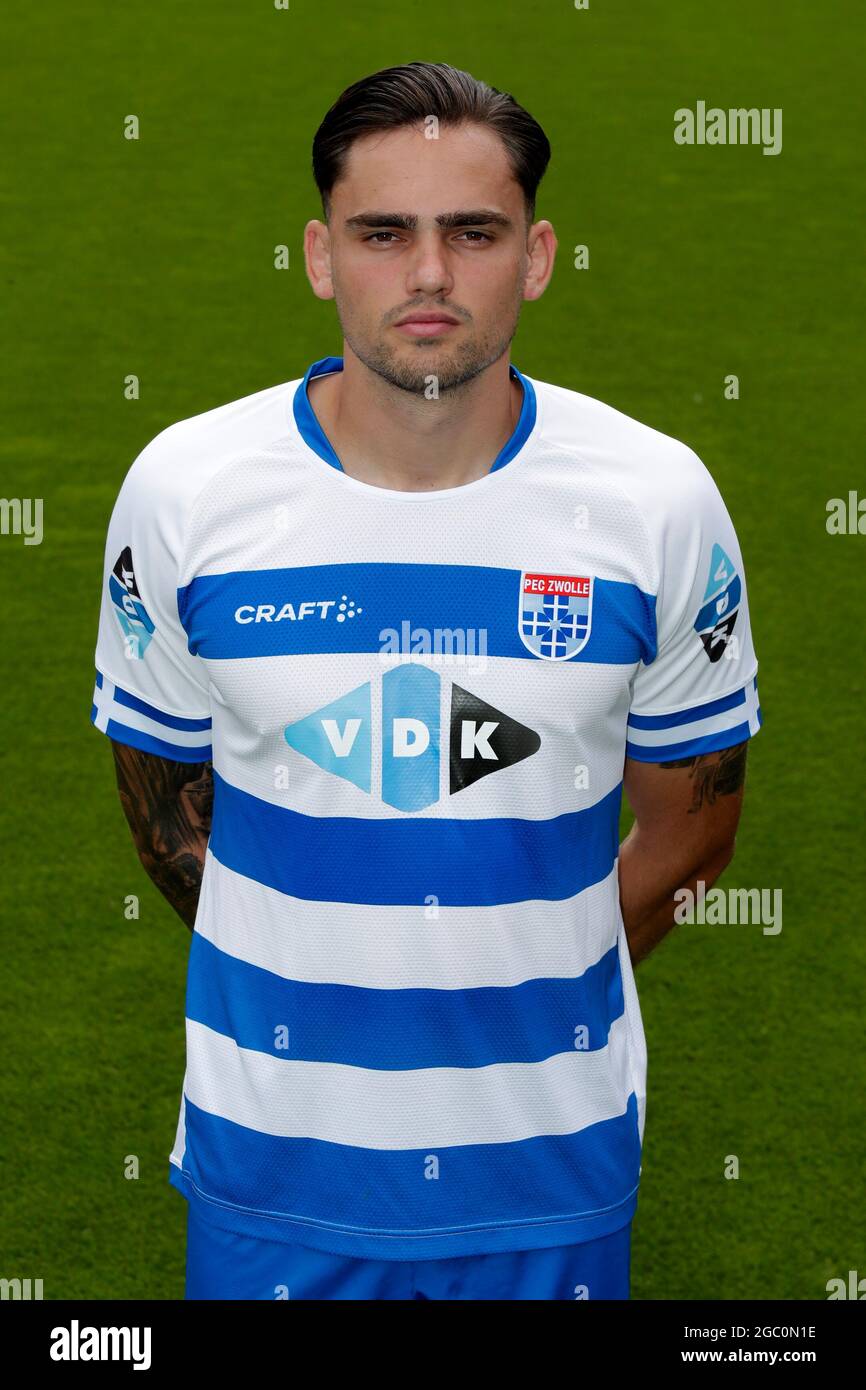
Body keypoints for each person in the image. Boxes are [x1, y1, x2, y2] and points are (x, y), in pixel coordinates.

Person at [90, 62, 762, 1300]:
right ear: (318, 254)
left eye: (474, 232)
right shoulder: (184, 491)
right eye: (383, 232)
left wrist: (513, 960)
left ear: (539, 253)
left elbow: (692, 826)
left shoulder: (655, 500)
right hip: (272, 1171)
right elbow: (164, 806)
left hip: (547, 1173)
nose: (431, 275)